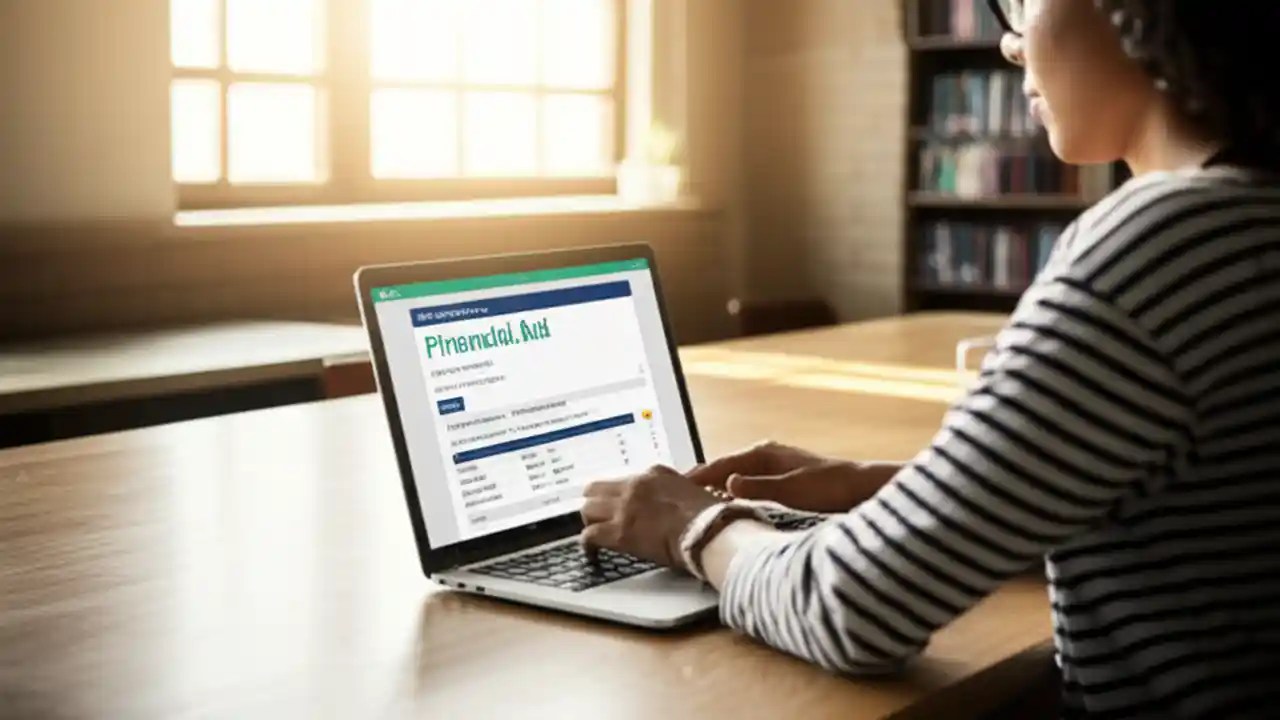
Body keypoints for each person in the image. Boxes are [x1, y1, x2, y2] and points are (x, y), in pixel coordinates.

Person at [580, 0, 1280, 716]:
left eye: (1024, 3)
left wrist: (690, 526)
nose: (1010, 44)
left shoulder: (1161, 247)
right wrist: (885, 487)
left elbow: (848, 609)